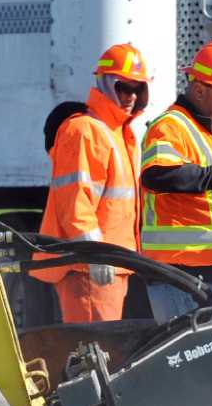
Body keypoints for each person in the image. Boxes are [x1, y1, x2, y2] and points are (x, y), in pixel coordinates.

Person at [139, 40, 212, 322]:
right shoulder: (170, 126)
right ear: (200, 89)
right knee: (195, 365)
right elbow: (157, 174)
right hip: (183, 279)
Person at [34, 43, 148, 323]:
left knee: (102, 355)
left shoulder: (119, 133)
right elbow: (75, 202)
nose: (130, 96)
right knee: (92, 354)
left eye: (137, 89)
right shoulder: (86, 130)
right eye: (123, 87)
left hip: (109, 264)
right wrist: (95, 254)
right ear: (106, 84)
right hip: (88, 267)